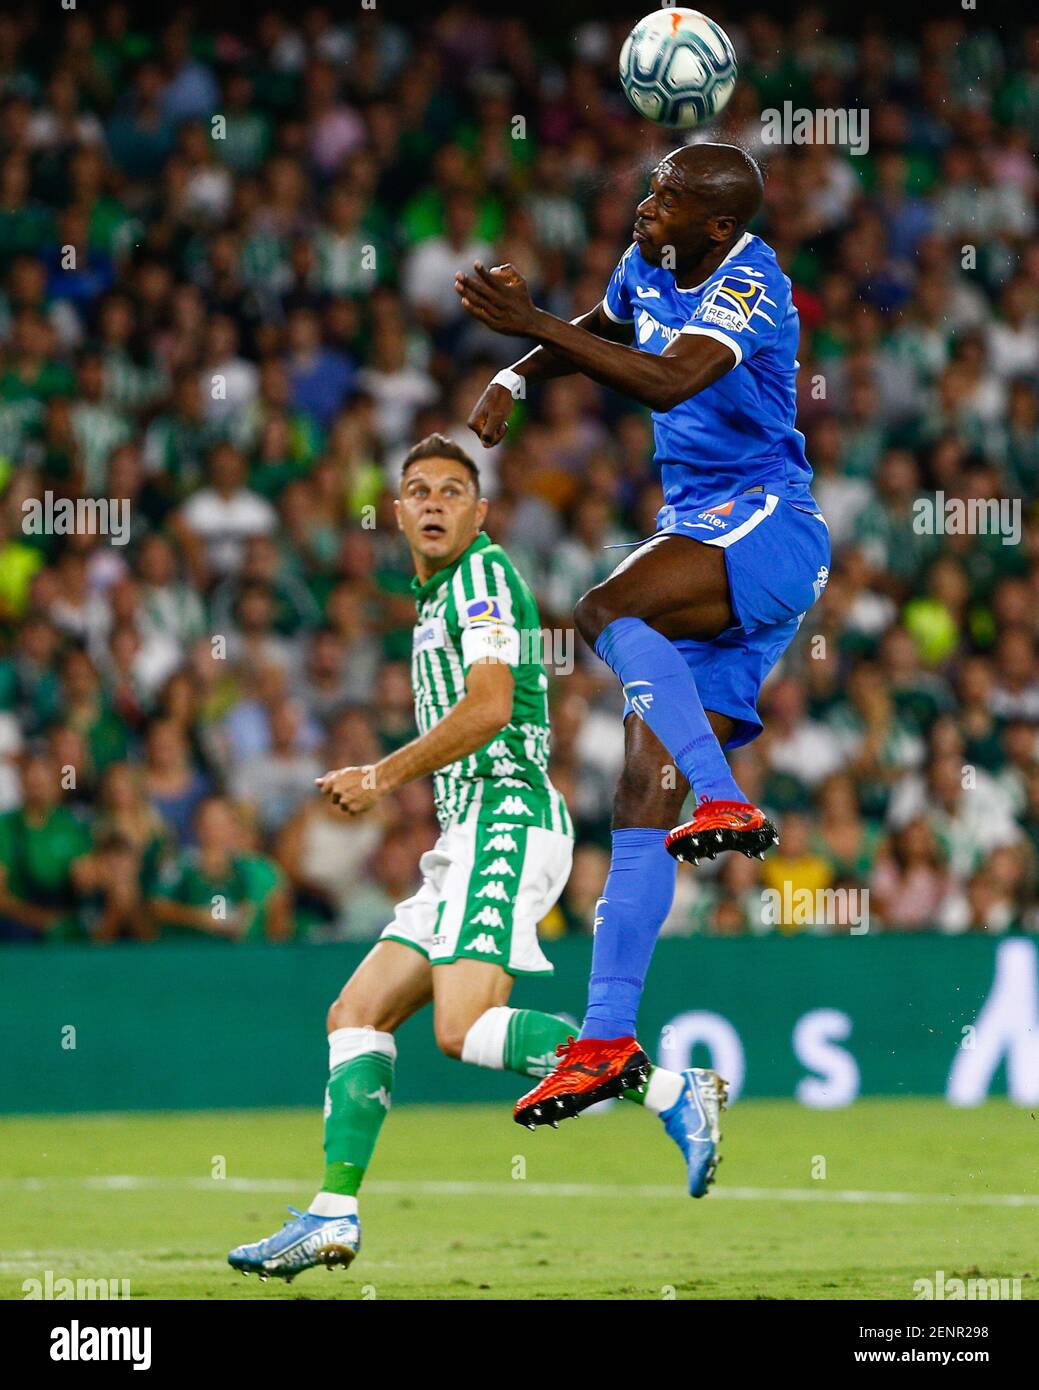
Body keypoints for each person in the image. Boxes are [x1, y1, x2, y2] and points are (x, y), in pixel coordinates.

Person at [228, 434, 722, 1284]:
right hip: (460, 837)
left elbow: (490, 707)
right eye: (416, 490)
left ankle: (675, 1093)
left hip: (508, 817)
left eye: (451, 491)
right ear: (395, 510)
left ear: (480, 511)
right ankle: (332, 1215)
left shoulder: (484, 578)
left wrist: (380, 776)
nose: (430, 503)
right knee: (356, 1014)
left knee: (461, 1029)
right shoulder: (433, 598)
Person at [457, 144, 830, 1125]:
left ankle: (724, 798)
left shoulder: (750, 282)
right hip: (699, 532)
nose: (645, 202)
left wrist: (527, 322)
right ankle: (608, 1039)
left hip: (766, 523)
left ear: (716, 225)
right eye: (652, 185)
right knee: (635, 796)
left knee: (600, 610)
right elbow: (606, 324)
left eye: (667, 196)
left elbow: (666, 381)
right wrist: (520, 371)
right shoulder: (651, 264)